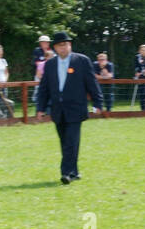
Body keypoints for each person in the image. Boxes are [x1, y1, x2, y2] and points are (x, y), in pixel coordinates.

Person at [34, 30, 104, 184]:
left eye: (66, 44)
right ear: (55, 48)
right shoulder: (50, 64)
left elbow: (92, 83)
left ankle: (66, 173)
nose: (63, 48)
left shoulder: (82, 61)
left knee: (71, 141)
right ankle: (75, 171)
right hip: (58, 109)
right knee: (65, 141)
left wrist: (98, 103)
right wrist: (40, 108)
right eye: (60, 45)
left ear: (70, 45)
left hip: (76, 108)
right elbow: (44, 87)